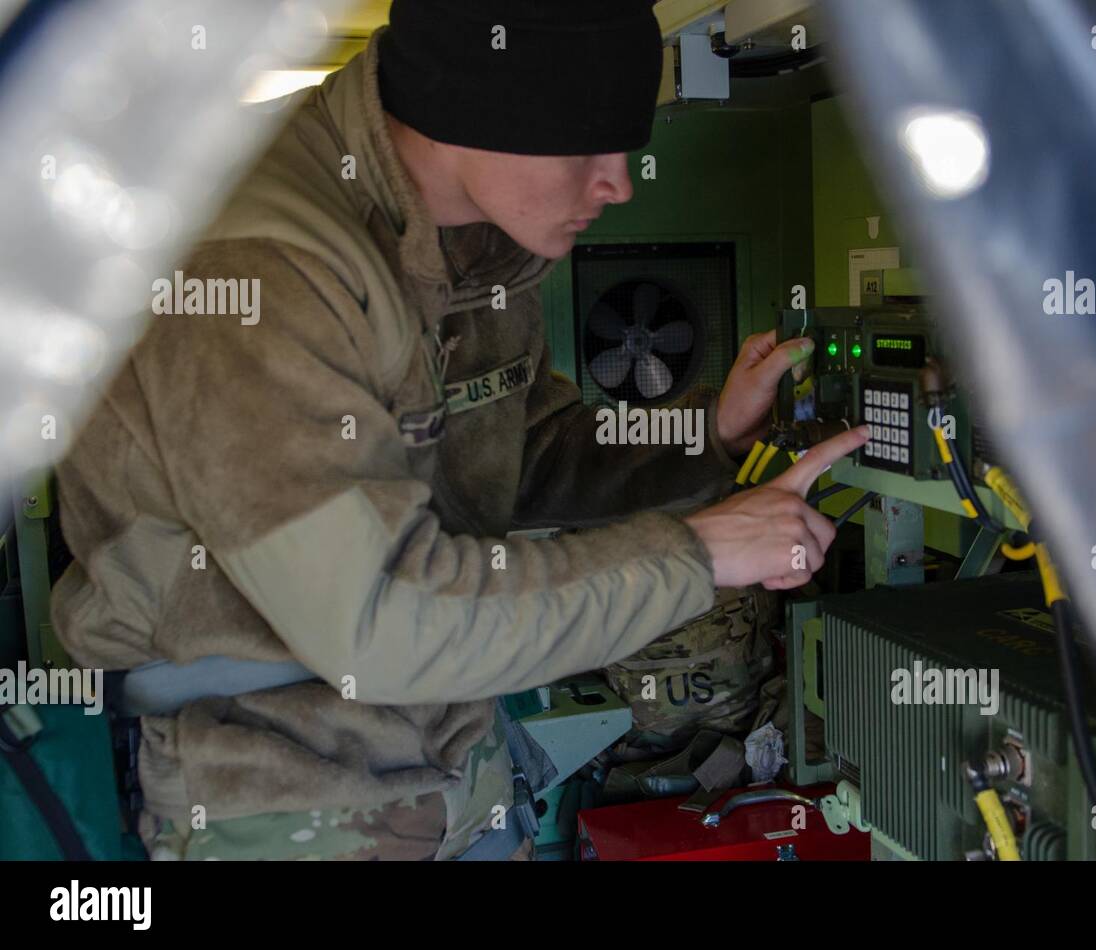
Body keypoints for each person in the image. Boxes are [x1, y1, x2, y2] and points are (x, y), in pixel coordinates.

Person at [50, 0, 868, 859]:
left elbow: (528, 449)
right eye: (588, 144)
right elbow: (380, 620)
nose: (619, 182)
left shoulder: (473, 242)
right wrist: (699, 555)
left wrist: (711, 434)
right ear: (476, 112)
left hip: (450, 768)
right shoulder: (259, 260)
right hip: (282, 795)